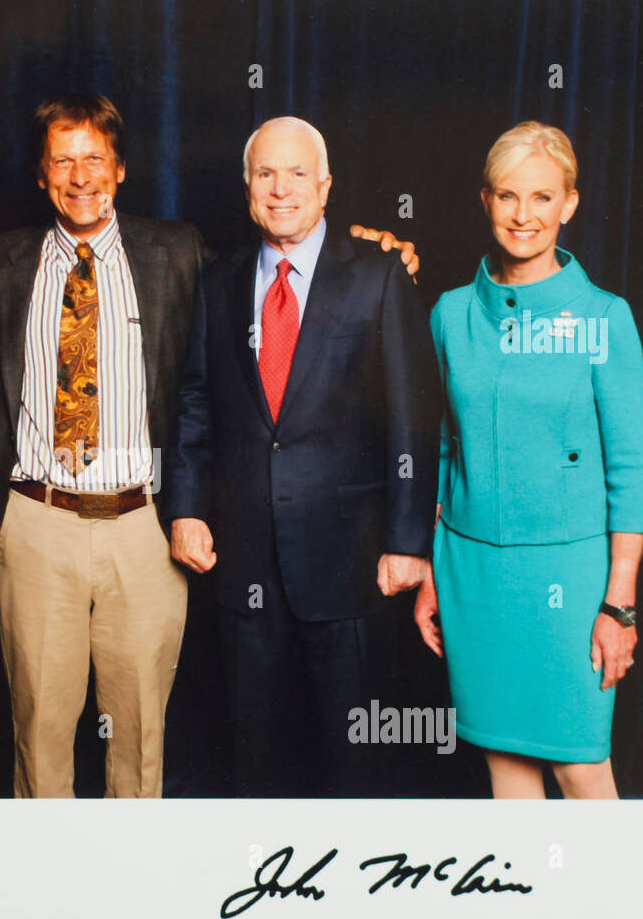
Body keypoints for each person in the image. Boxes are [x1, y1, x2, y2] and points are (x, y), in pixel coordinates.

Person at [0, 95, 417, 799]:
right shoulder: (4, 261)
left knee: (140, 735)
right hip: (36, 522)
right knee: (38, 729)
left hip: (144, 525)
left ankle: (126, 885)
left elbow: (285, 261)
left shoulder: (179, 255)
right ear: (41, 177)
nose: (81, 176)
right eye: (62, 161)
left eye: (95, 159)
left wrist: (378, 245)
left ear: (123, 168)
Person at [164, 116, 441, 798]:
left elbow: (413, 416)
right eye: (265, 174)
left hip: (351, 564)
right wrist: (185, 509)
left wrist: (409, 541)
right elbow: (196, 402)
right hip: (244, 564)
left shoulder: (377, 275)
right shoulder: (220, 281)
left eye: (296, 174)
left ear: (325, 186)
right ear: (247, 188)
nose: (280, 188)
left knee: (355, 761)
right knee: (254, 759)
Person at [413, 121, 643, 799]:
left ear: (569, 204)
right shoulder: (450, 314)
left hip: (572, 579)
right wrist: (432, 571)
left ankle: (608, 906)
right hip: (472, 572)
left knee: (579, 765)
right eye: (509, 196)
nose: (525, 215)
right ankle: (535, 904)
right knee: (503, 761)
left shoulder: (606, 318)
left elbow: (630, 471)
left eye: (543, 198)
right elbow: (441, 449)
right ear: (485, 201)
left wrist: (620, 604)